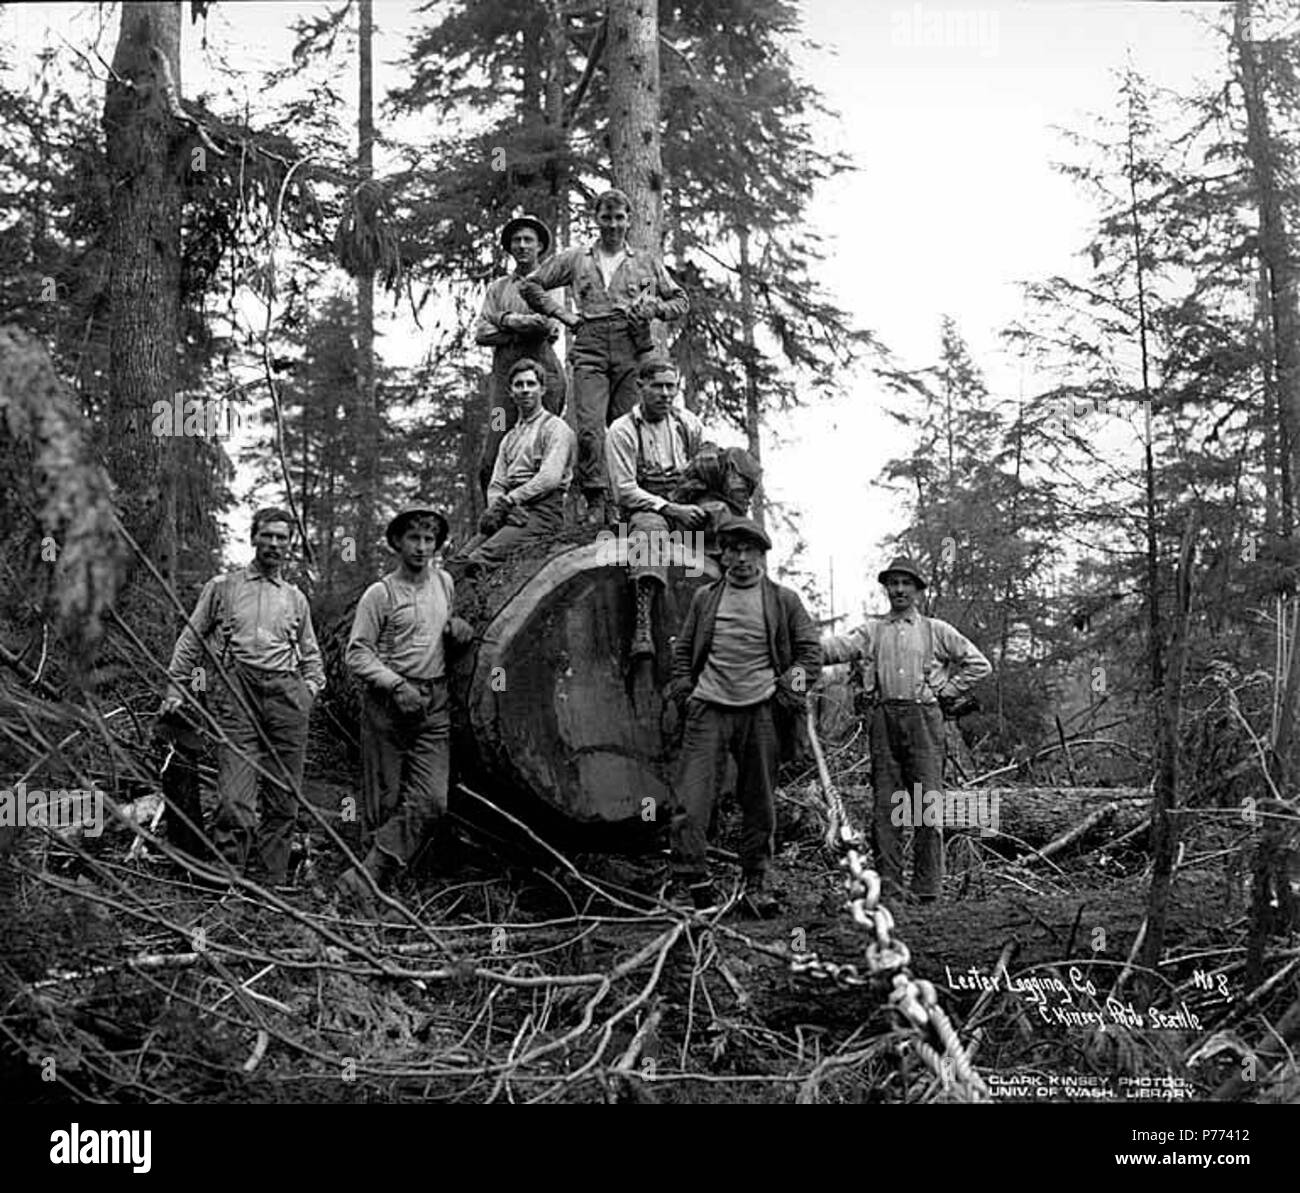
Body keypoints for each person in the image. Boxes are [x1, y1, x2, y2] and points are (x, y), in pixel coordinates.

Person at [161, 507, 325, 888]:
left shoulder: (295, 598)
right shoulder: (223, 587)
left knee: (285, 798)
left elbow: (312, 655)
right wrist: (175, 687)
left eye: (282, 537)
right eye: (267, 535)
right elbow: (191, 639)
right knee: (235, 798)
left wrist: (309, 691)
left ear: (290, 544)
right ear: (253, 538)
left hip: (287, 698)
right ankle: (226, 880)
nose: (274, 544)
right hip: (236, 696)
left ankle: (272, 883)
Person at [667, 517, 821, 914]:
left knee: (760, 800)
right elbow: (683, 651)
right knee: (692, 798)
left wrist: (788, 690)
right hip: (708, 708)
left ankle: (756, 881)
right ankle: (689, 881)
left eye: (749, 550)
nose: (740, 559)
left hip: (762, 711)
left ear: (762, 555)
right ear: (723, 555)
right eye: (733, 550)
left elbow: (810, 653)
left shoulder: (782, 601)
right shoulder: (705, 598)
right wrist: (686, 691)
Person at [821, 556, 992, 903]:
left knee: (926, 805)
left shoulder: (935, 630)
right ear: (886, 589)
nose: (899, 590)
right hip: (884, 720)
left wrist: (946, 691)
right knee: (887, 806)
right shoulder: (874, 630)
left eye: (906, 583)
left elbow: (979, 664)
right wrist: (797, 645)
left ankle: (927, 890)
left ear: (917, 590)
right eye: (893, 583)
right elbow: (837, 648)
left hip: (924, 721)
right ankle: (890, 889)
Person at [520, 188, 689, 524]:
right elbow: (531, 285)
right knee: (590, 426)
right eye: (606, 217)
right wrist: (564, 315)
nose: (613, 225)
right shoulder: (576, 258)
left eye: (619, 218)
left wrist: (654, 308)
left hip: (632, 345)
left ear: (629, 220)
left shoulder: (645, 262)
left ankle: (625, 500)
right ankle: (595, 499)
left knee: (624, 425)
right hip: (590, 343)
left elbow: (681, 301)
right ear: (595, 219)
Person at [341, 506, 474, 913]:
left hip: (434, 703)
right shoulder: (380, 594)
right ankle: (381, 893)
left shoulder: (445, 582)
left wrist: (458, 629)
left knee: (432, 801)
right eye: (414, 539)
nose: (422, 547)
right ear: (397, 543)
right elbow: (357, 654)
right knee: (384, 799)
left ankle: (365, 876)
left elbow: (444, 628)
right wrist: (395, 684)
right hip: (388, 704)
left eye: (429, 540)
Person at [605, 357, 708, 656]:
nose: (665, 394)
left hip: (685, 498)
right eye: (658, 386)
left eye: (671, 387)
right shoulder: (622, 430)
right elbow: (624, 491)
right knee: (649, 534)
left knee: (727, 526)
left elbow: (708, 454)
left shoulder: (686, 422)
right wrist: (671, 510)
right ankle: (643, 624)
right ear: (641, 387)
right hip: (644, 507)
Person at [473, 213, 567, 501]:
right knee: (493, 452)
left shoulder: (551, 284)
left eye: (529, 240)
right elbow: (480, 333)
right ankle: (495, 517)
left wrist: (501, 321)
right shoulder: (498, 288)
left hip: (545, 375)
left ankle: (542, 521)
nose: (523, 245)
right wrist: (516, 323)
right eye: (517, 240)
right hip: (504, 384)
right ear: (510, 247)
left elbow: (547, 327)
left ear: (540, 246)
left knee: (540, 445)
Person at [456, 357, 577, 573]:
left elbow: (549, 478)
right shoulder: (508, 436)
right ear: (511, 392)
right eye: (519, 385)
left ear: (542, 389)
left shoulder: (556, 428)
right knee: (457, 563)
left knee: (479, 560)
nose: (525, 390)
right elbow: (497, 483)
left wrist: (510, 501)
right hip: (510, 511)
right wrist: (498, 508)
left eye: (531, 384)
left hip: (541, 512)